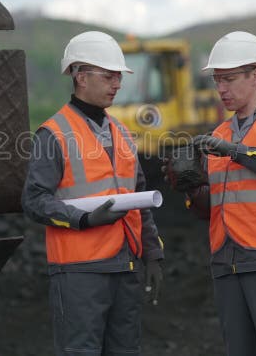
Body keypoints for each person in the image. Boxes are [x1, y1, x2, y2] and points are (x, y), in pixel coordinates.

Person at [22, 30, 165, 356]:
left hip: (125, 270)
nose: (117, 83)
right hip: (79, 273)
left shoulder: (123, 133)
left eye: (119, 76)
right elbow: (33, 201)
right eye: (109, 75)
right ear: (81, 76)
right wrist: (84, 219)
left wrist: (152, 252)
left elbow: (139, 197)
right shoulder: (54, 134)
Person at [171, 31, 256, 356]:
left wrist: (235, 150)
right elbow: (217, 205)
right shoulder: (220, 133)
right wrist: (192, 188)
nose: (221, 89)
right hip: (227, 260)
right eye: (218, 80)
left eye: (229, 79)